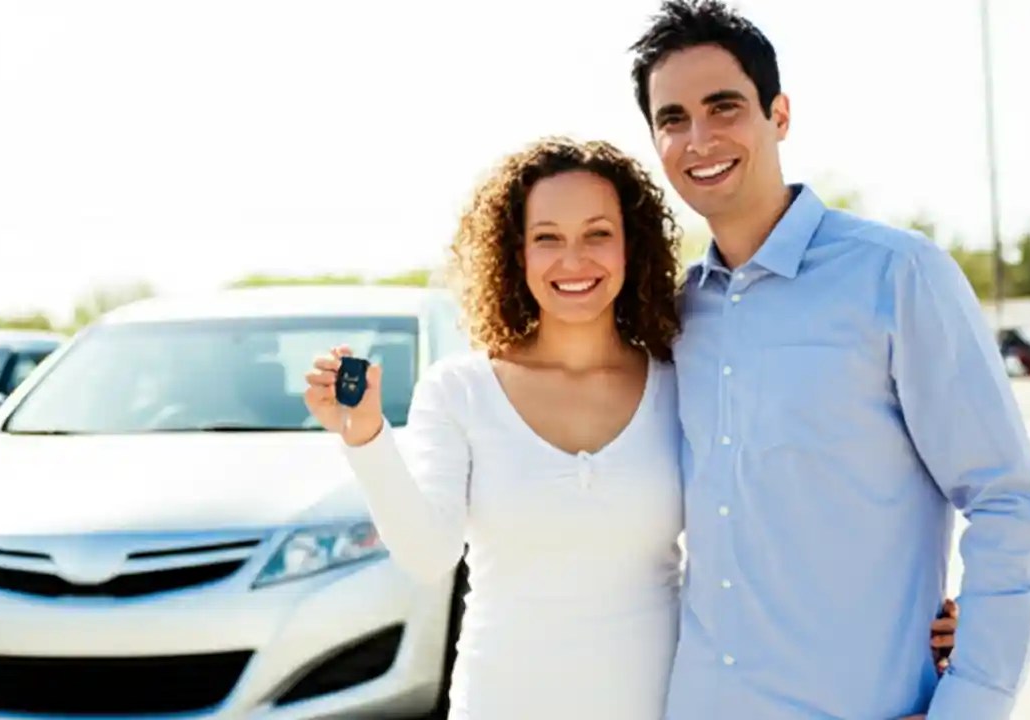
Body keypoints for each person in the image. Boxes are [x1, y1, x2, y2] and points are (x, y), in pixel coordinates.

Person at [302, 137, 956, 719]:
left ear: (631, 244)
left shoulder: (683, 378)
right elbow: (427, 555)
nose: (574, 259)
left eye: (597, 234)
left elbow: (779, 520)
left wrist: (915, 617)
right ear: (515, 252)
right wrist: (365, 437)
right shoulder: (461, 389)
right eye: (548, 237)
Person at [626, 1, 1030, 718]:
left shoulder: (897, 276)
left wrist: (973, 696)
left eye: (723, 106)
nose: (698, 138)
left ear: (780, 115)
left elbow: (1008, 501)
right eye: (672, 118)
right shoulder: (674, 315)